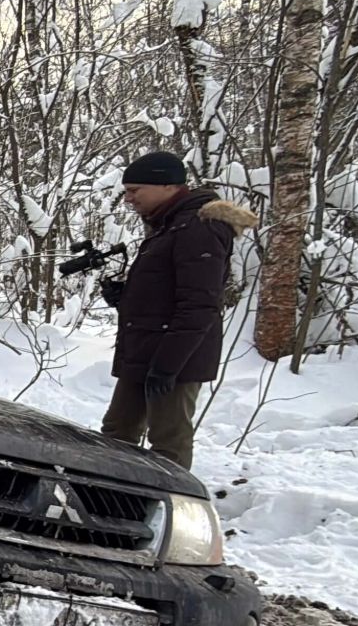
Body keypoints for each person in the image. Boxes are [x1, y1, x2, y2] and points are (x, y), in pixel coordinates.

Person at [98, 151, 256, 470]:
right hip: (145, 350)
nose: (128, 199)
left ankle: (170, 508)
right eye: (126, 191)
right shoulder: (169, 224)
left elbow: (200, 305)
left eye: (135, 190)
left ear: (168, 186)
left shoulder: (199, 228)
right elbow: (165, 291)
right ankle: (110, 502)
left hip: (176, 359)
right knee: (116, 433)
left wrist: (168, 367)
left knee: (167, 445)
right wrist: (124, 297)